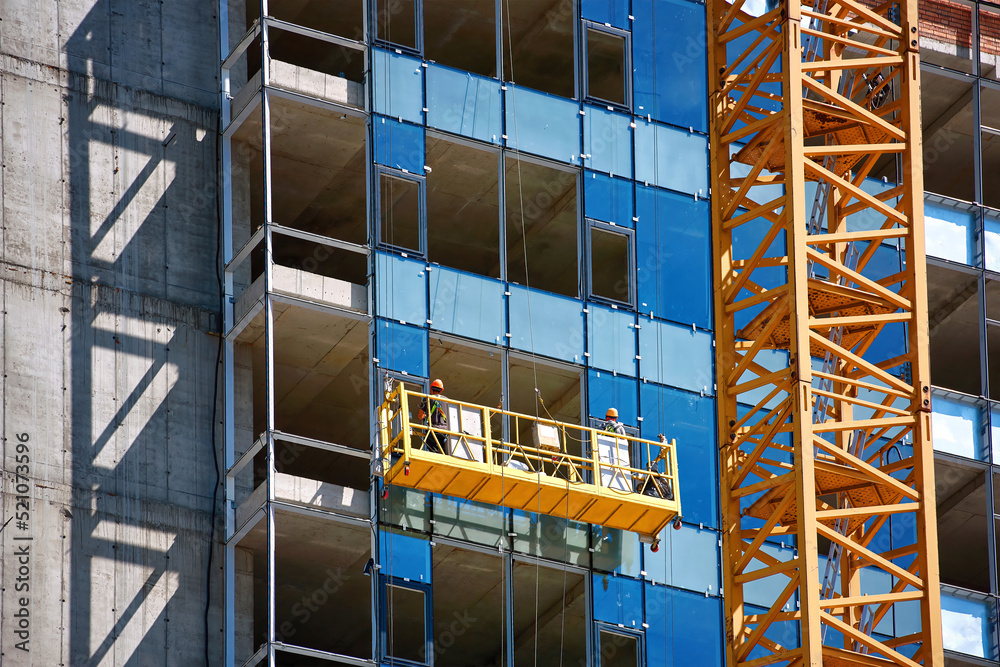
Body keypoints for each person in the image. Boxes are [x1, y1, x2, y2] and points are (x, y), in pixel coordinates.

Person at [417, 379, 448, 453]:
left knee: (433, 451)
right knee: (445, 450)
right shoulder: (447, 401)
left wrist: (425, 416)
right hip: (445, 431)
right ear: (441, 390)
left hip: (433, 430)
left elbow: (420, 416)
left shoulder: (427, 399)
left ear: (431, 389)